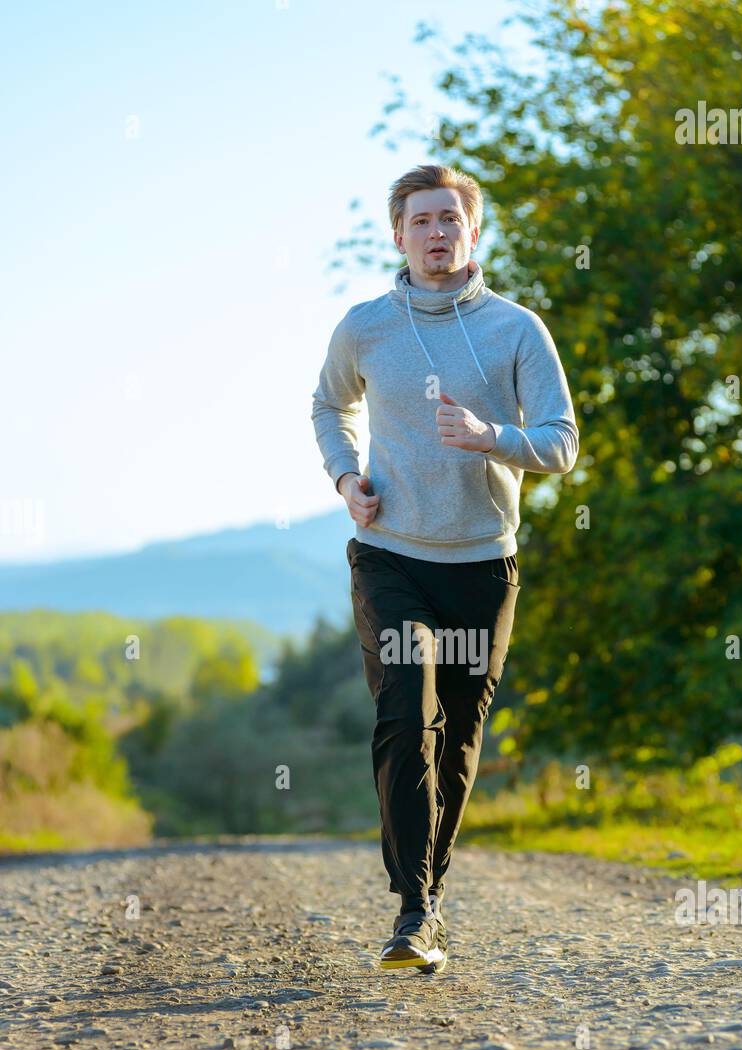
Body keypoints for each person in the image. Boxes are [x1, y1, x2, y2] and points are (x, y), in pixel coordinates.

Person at [311, 164, 578, 974]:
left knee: (457, 738)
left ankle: (430, 895)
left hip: (481, 564)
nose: (435, 233)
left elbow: (560, 444)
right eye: (420, 221)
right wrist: (345, 476)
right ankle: (413, 910)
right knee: (403, 713)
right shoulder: (365, 326)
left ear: (472, 232)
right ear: (398, 235)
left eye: (448, 220)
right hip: (391, 555)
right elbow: (329, 405)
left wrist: (491, 435)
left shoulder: (515, 329)